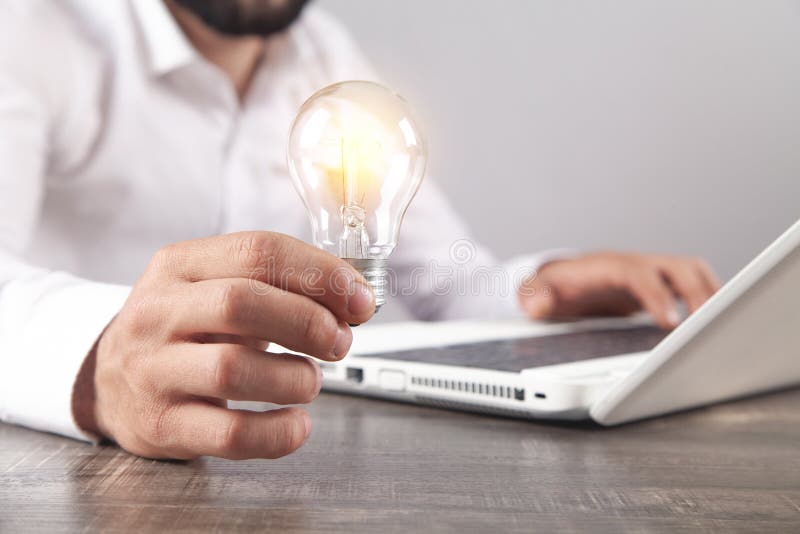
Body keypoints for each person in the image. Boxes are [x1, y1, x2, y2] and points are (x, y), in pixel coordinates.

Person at [0, 0, 720, 461]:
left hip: (289, 458)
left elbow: (446, 275)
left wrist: (536, 286)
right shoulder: (35, 29)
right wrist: (99, 361)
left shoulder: (320, 53)